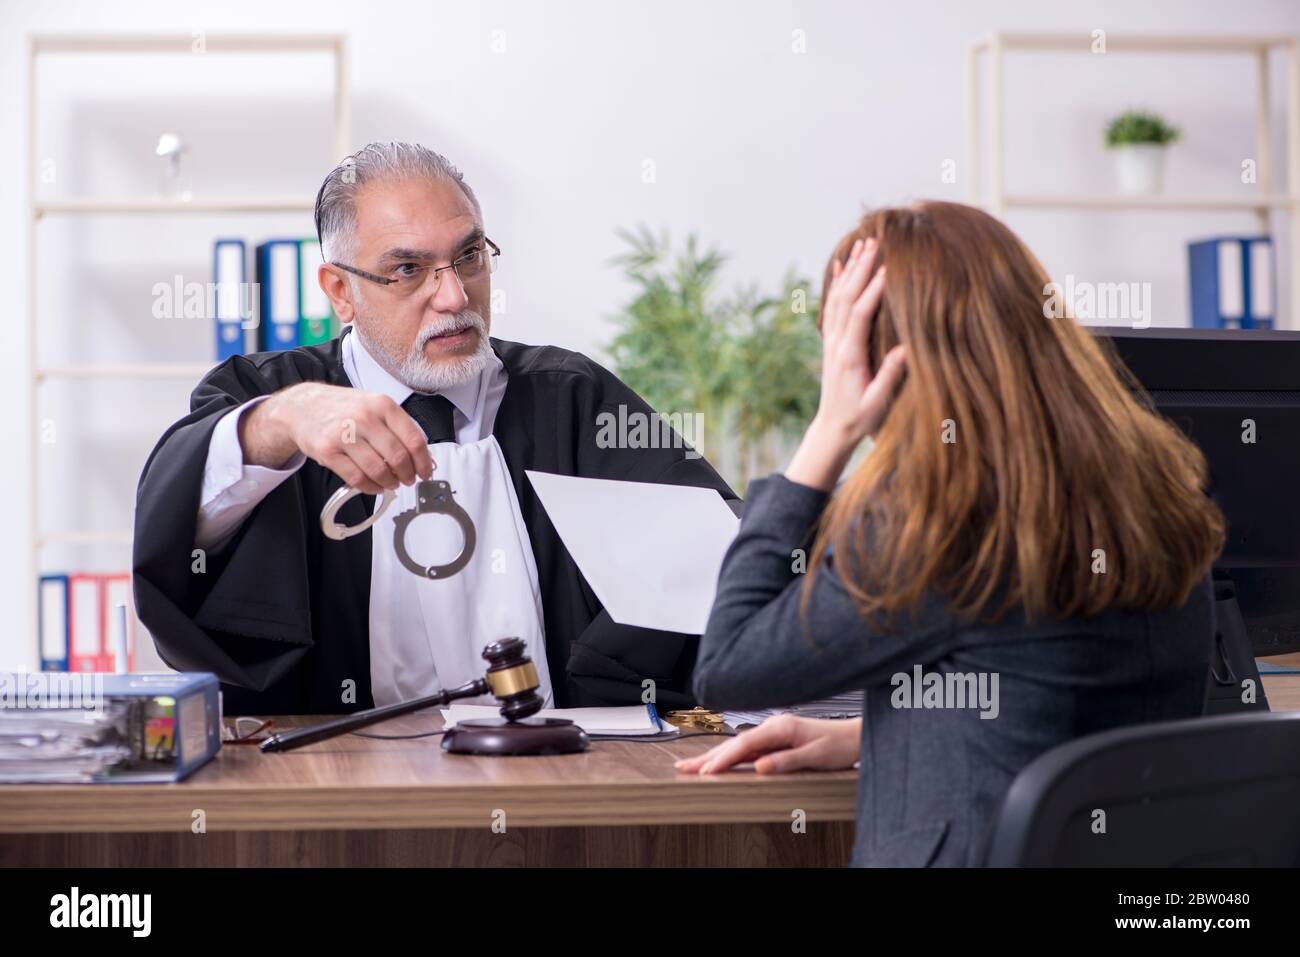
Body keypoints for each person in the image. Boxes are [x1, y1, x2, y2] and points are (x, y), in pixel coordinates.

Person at [679, 201, 1224, 867]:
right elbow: (1064, 705)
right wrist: (866, 734)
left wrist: (829, 430)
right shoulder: (1157, 492)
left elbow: (727, 666)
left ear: (880, 367)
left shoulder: (938, 526)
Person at [133, 142, 737, 716]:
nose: (453, 296)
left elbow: (716, 552)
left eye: (469, 256)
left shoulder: (572, 397)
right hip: (340, 781)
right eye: (407, 269)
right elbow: (178, 526)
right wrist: (285, 420)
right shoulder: (269, 394)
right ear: (340, 291)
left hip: (555, 776)